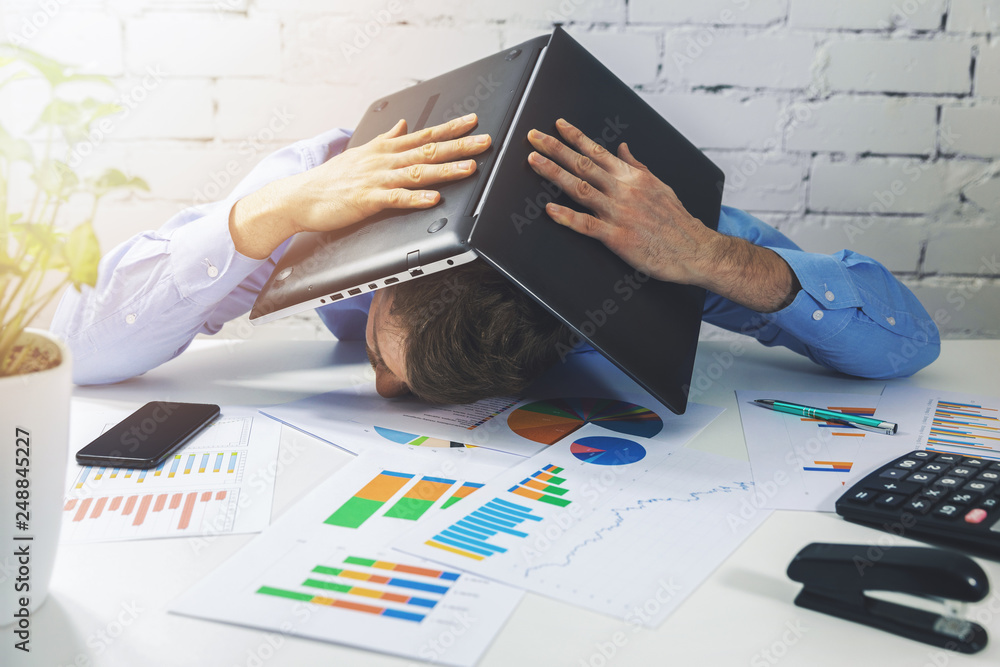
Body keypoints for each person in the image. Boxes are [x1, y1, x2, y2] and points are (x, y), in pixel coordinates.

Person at [51, 115, 940, 403]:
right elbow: (73, 349)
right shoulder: (326, 197)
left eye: (379, 368)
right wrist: (265, 213)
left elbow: (911, 345)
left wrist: (718, 258)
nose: (387, 395)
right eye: (379, 357)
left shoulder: (635, 239)